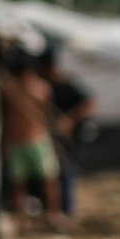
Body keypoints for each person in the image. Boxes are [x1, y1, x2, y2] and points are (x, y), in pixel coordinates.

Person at [0, 53, 63, 229]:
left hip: (38, 140)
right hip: (16, 142)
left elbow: (46, 114)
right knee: (19, 183)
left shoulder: (41, 89)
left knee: (49, 179)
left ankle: (53, 213)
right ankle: (22, 216)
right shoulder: (10, 88)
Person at [36, 46, 95, 218]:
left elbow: (89, 104)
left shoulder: (65, 85)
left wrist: (69, 120)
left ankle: (67, 209)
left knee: (66, 170)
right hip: (49, 136)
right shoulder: (44, 85)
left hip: (67, 139)